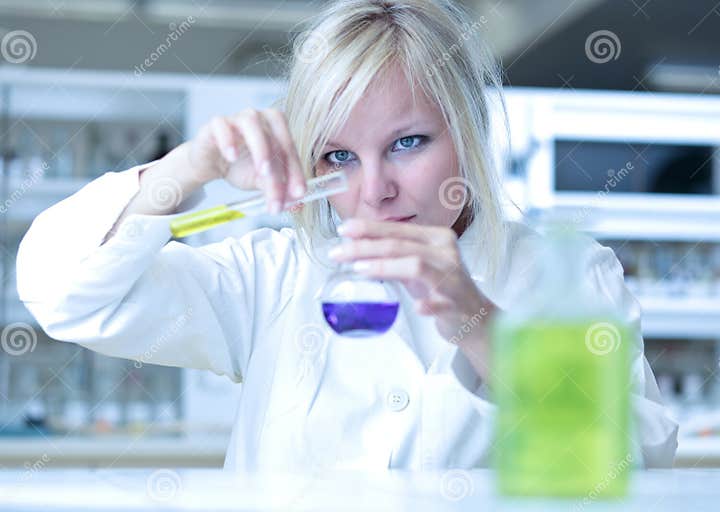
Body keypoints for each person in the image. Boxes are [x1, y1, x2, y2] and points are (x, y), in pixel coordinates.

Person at [16, 0, 678, 471]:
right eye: (337, 157)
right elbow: (66, 296)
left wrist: (474, 319)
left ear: (469, 130)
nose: (373, 190)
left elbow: (639, 457)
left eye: (407, 143)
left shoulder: (565, 273)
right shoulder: (271, 275)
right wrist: (189, 168)